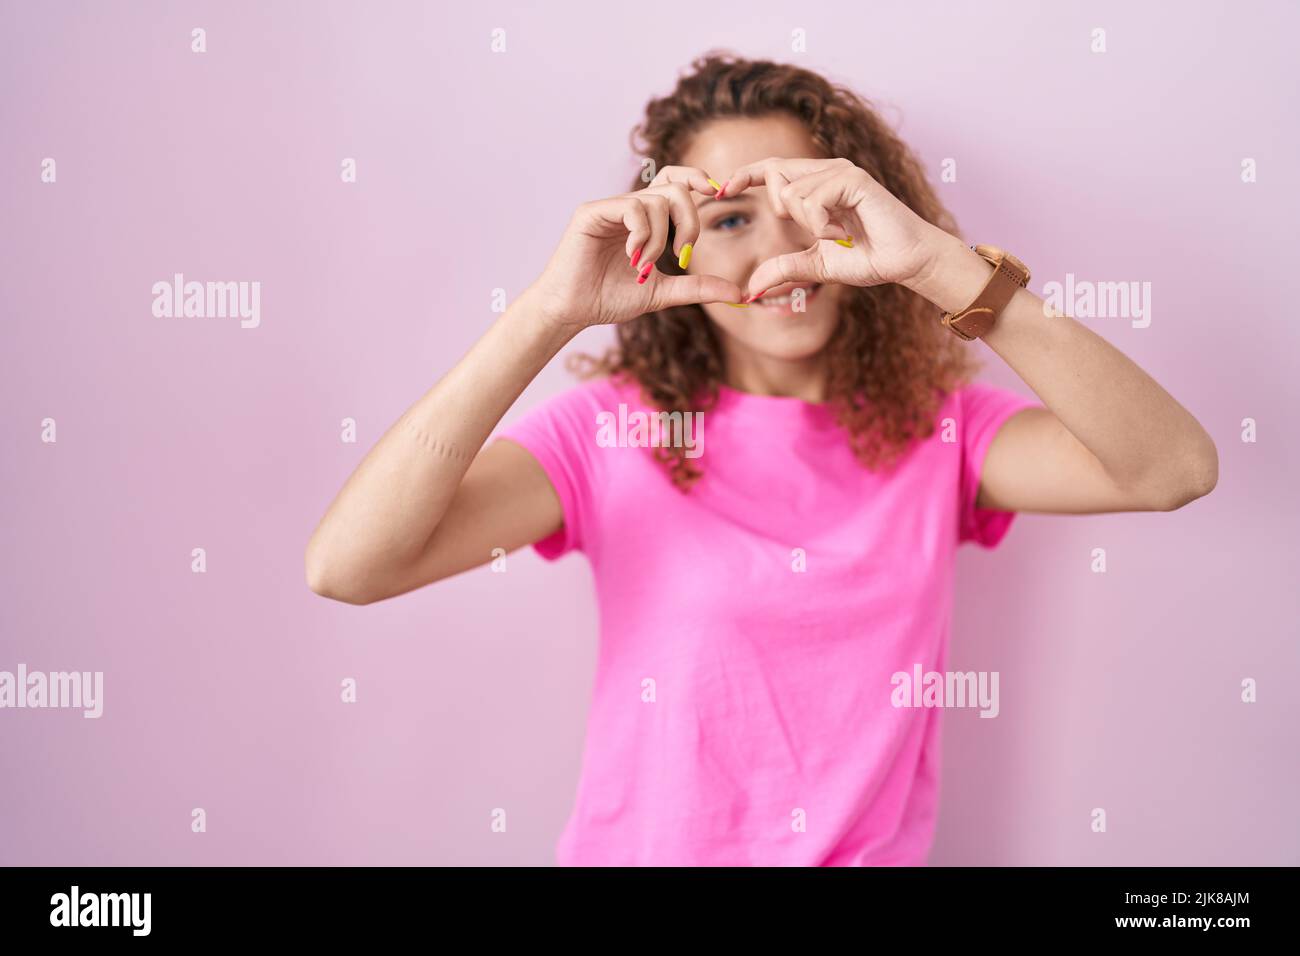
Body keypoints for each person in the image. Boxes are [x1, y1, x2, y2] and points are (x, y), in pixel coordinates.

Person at [304, 52, 1218, 866]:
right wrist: (550, 311)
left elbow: (1172, 467)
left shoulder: (943, 430)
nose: (786, 253)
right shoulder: (607, 434)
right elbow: (349, 567)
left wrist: (939, 265)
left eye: (806, 210)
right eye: (735, 218)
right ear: (671, 242)